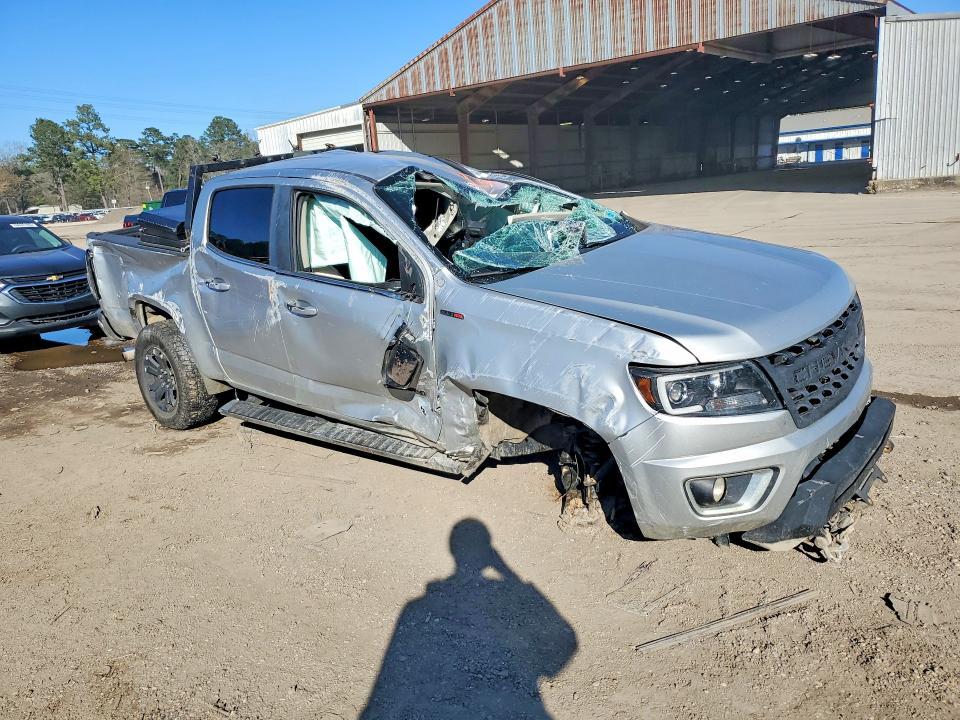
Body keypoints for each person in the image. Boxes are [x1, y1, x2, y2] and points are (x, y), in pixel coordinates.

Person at [360, 519, 577, 719]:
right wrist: (509, 574)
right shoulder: (420, 607)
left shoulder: (416, 608)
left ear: (452, 550)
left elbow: (388, 680)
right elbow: (567, 645)